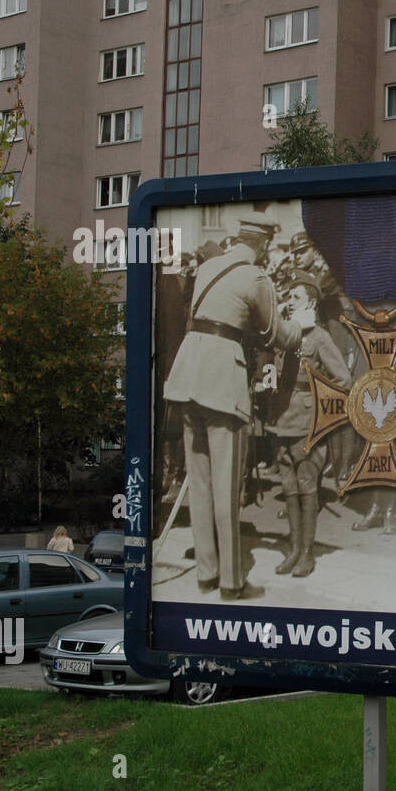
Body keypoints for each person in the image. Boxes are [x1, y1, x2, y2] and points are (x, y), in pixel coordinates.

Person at [164, 212, 301, 601]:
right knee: (226, 487)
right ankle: (232, 582)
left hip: (188, 374)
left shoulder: (209, 267)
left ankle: (206, 574)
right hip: (223, 380)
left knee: (201, 483)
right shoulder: (257, 278)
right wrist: (300, 331)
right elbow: (274, 333)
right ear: (262, 244)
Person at [267, 271, 351, 577]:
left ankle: (306, 553)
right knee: (288, 487)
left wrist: (320, 410)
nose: (290, 302)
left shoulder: (319, 337)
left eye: (296, 297)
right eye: (289, 297)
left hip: (306, 422)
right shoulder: (284, 335)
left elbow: (342, 379)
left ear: (311, 302)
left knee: (306, 486)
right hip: (280, 420)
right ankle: (292, 550)